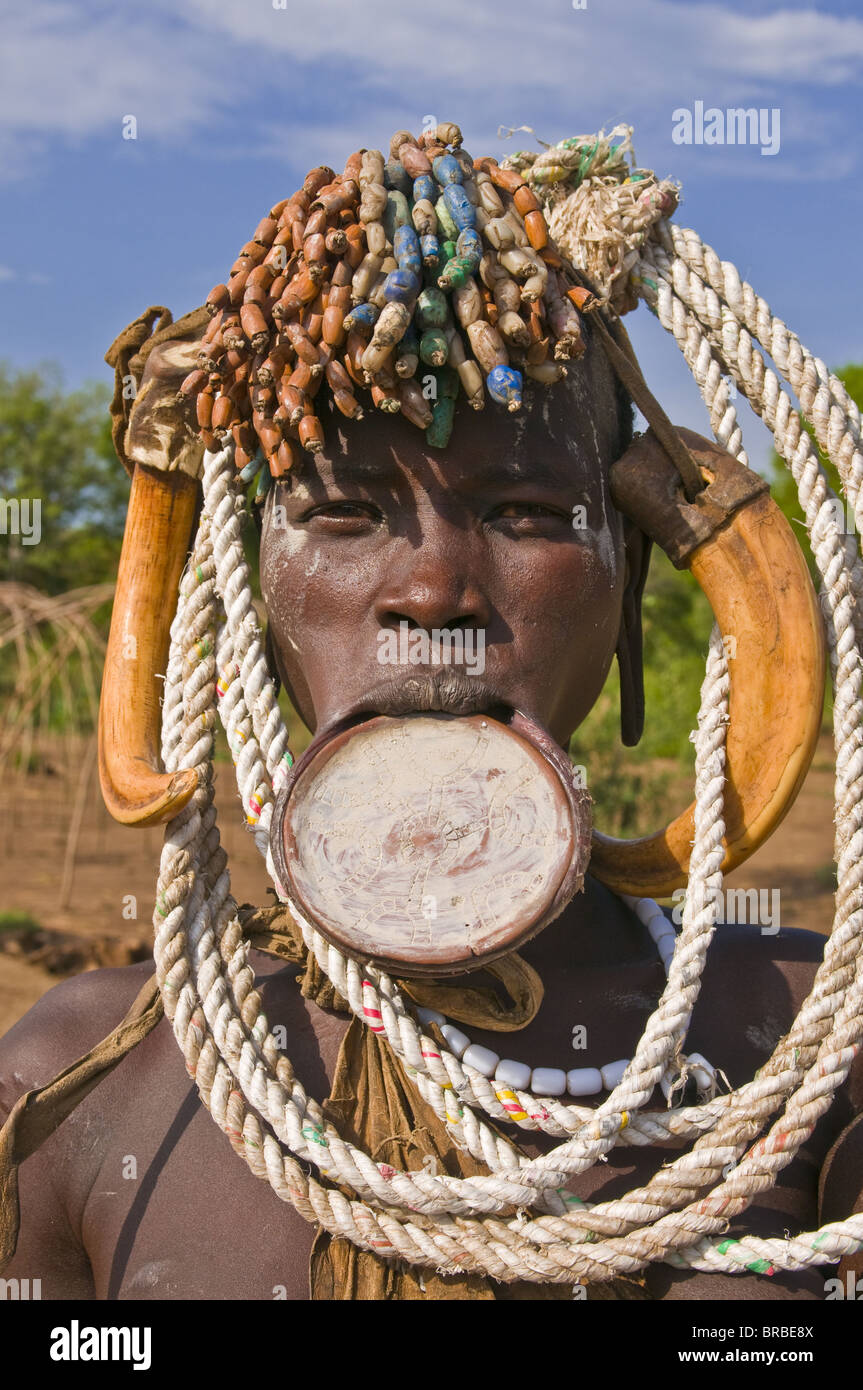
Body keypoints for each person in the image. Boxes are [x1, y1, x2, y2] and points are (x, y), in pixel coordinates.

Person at [1, 120, 861, 1301]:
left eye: (524, 511)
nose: (430, 591)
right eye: (344, 513)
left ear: (633, 591)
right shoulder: (74, 1083)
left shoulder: (816, 1048)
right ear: (243, 600)